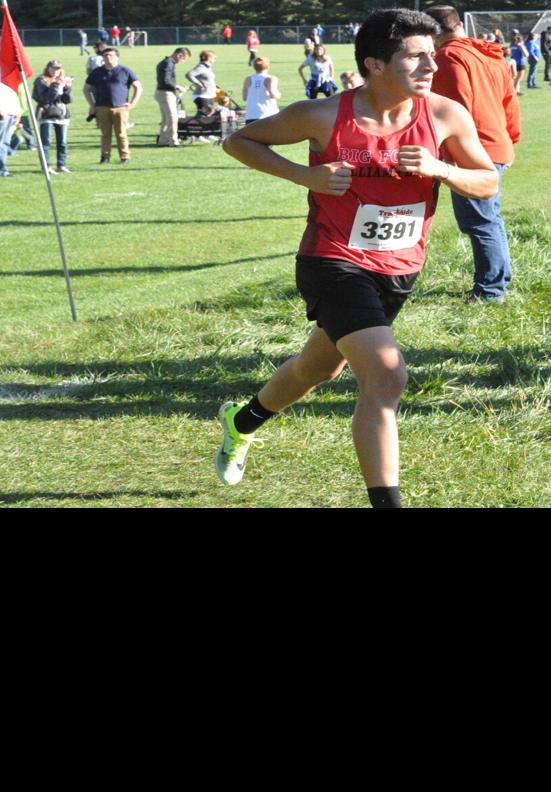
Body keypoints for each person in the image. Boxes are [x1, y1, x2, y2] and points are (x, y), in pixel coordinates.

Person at [215, 8, 500, 507]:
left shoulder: (444, 115)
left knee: (317, 369)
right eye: (414, 58)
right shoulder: (324, 115)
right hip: (332, 259)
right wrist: (308, 177)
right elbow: (238, 141)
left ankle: (243, 422)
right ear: (374, 64)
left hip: (399, 268)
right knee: (386, 374)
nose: (430, 67)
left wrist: (442, 169)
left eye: (431, 56)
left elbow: (489, 181)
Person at [424, 6, 521, 303]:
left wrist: (448, 153)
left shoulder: (449, 57)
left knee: (479, 222)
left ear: (434, 32)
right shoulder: (489, 54)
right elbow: (510, 103)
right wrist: (511, 140)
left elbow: (455, 111)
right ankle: (498, 280)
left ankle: (491, 290)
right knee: (489, 218)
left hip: (473, 150)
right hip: (495, 144)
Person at [84, 46, 140, 164]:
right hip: (102, 107)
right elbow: (86, 89)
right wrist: (92, 104)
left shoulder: (125, 71)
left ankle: (125, 157)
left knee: (121, 134)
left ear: (117, 57)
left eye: (111, 55)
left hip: (120, 108)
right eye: (105, 56)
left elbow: (138, 87)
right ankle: (105, 157)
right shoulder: (97, 72)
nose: (108, 57)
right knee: (105, 134)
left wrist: (133, 103)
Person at [34, 61, 73, 173]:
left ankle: (61, 164)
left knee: (62, 142)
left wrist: (67, 89)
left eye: (58, 69)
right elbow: (46, 98)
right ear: (48, 68)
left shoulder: (62, 80)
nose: (56, 71)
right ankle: (46, 167)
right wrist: (56, 85)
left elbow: (68, 100)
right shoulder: (41, 80)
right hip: (46, 114)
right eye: (53, 68)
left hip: (61, 114)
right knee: (46, 142)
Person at [155, 47, 189, 147]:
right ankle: (173, 141)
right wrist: (177, 87)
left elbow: (166, 79)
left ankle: (163, 140)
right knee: (172, 118)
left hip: (162, 92)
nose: (183, 61)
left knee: (166, 119)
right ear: (179, 55)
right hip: (166, 93)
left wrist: (178, 86)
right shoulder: (168, 63)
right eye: (184, 59)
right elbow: (166, 81)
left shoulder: (167, 62)